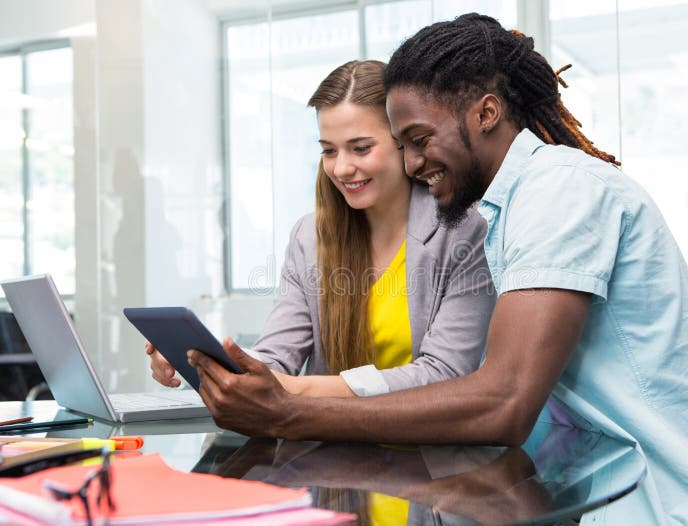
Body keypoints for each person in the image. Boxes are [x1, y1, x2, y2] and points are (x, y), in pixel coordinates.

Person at [184, 15, 688, 526]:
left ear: (486, 112)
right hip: (617, 501)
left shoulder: (559, 191)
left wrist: (290, 412)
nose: (413, 164)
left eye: (417, 141)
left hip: (683, 509)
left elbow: (504, 402)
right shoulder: (509, 208)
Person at [148, 60, 495, 399]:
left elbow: (445, 374)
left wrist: (299, 387)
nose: (342, 168)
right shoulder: (309, 236)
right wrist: (205, 358)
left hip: (432, 454)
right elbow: (276, 358)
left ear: (403, 142)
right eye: (329, 151)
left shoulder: (463, 229)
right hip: (333, 452)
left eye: (361, 148)